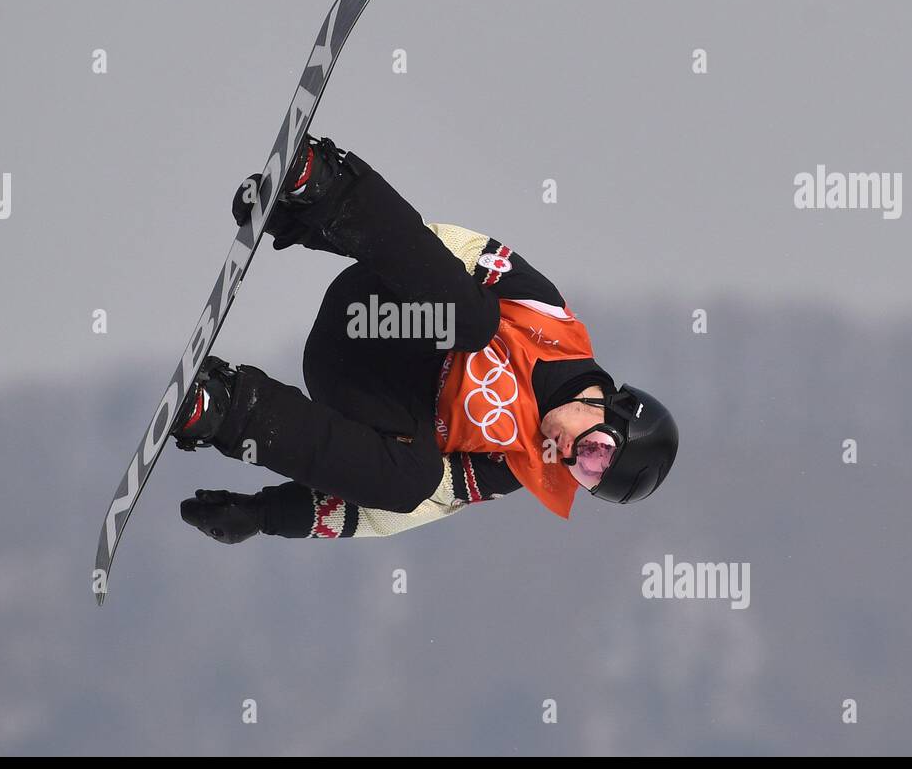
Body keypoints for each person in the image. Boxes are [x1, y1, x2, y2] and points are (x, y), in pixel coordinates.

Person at [173, 137, 678, 543]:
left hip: (353, 384)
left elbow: (394, 512)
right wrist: (310, 221)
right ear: (614, 407)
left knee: (413, 482)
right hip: (378, 313)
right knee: (476, 324)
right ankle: (323, 181)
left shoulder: (515, 466)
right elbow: (446, 247)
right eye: (595, 451)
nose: (572, 456)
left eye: (585, 475)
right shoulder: (551, 327)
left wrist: (264, 514)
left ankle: (221, 407)